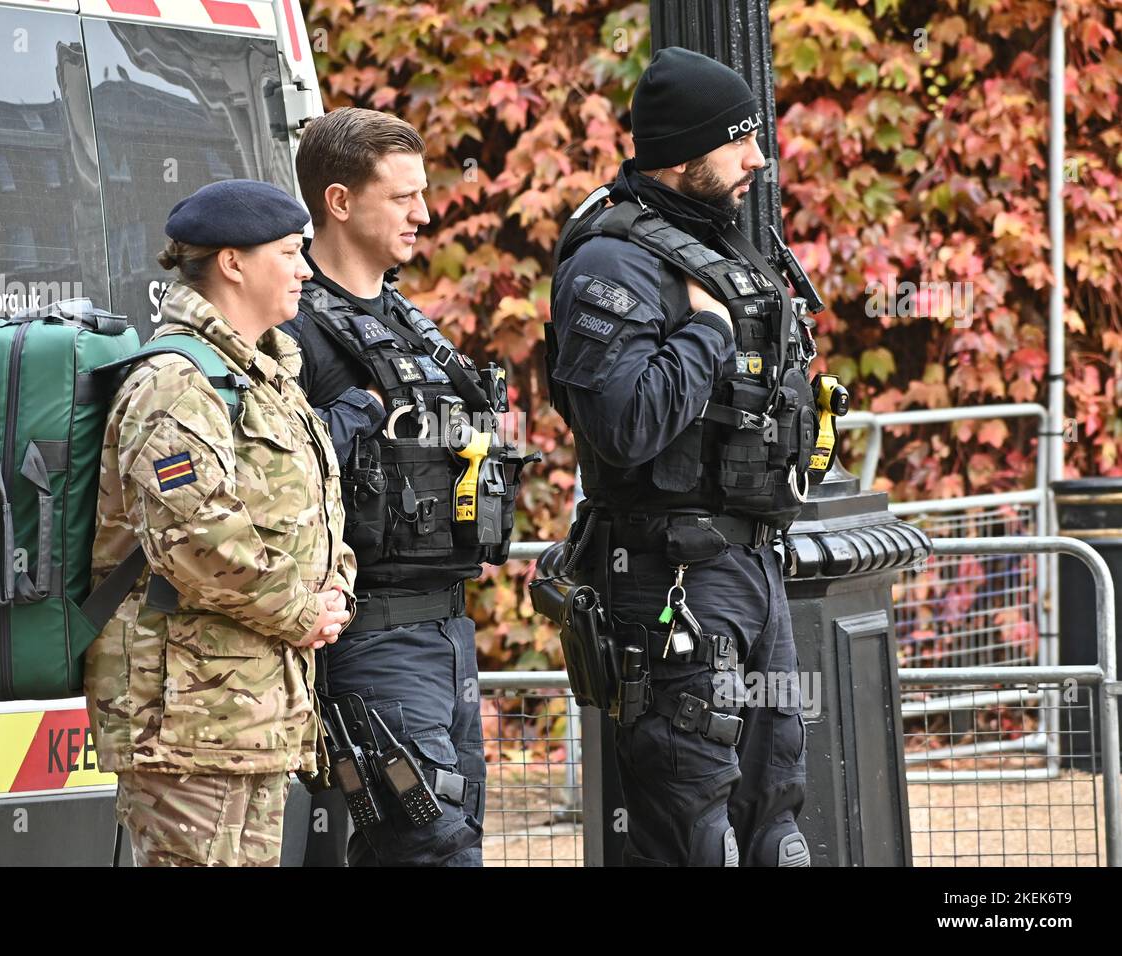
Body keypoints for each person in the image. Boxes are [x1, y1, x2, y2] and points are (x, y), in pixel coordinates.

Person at [547, 47, 827, 866]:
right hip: (669, 577)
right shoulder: (613, 260)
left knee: (775, 818)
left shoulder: (727, 247)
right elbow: (624, 425)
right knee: (693, 834)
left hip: (751, 567)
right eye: (739, 140)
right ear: (682, 148)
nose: (759, 160)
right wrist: (705, 332)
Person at [286, 107, 534, 866]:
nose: (426, 215)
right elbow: (274, 473)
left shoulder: (408, 325)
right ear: (339, 201)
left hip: (447, 634)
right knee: (433, 850)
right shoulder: (291, 326)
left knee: (441, 845)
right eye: (404, 198)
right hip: (371, 637)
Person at [83, 179, 356, 867]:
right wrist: (303, 612)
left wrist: (335, 595)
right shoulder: (177, 383)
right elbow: (196, 542)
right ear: (232, 262)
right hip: (187, 726)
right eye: (291, 252)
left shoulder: (266, 378)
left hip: (248, 717)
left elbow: (315, 517)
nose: (304, 268)